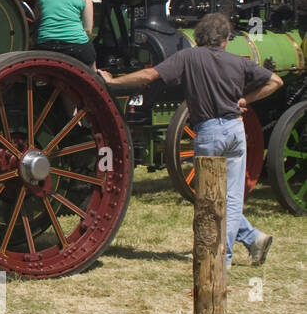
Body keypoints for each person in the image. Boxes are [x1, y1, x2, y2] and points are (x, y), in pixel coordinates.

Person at [98, 13, 280, 267]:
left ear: (199, 36)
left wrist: (113, 81)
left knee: (209, 199)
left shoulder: (189, 57)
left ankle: (221, 259)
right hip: (236, 132)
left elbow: (148, 76)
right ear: (225, 40)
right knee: (231, 198)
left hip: (208, 132)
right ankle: (252, 239)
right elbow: (275, 81)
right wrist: (245, 101)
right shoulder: (238, 61)